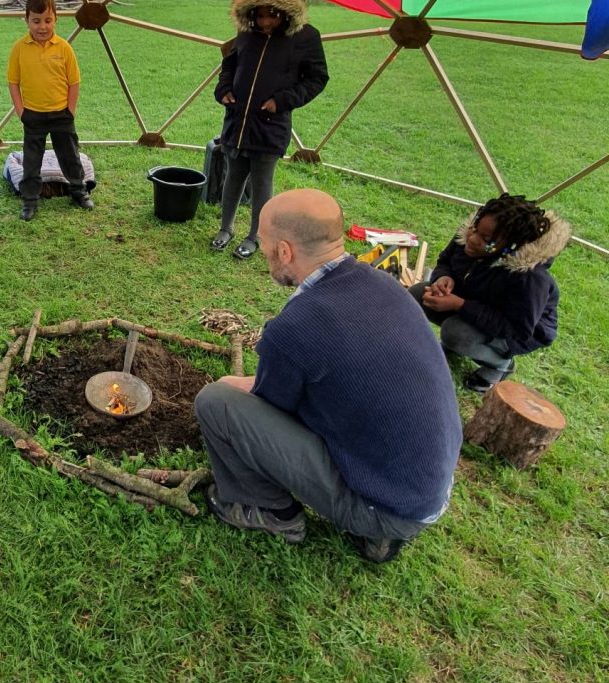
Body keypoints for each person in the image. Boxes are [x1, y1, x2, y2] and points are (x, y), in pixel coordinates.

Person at [194, 189, 462, 563]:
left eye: (266, 244)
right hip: (424, 491)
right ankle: (382, 528)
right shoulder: (383, 284)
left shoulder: (297, 328)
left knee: (217, 401)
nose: (265, 253)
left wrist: (228, 386)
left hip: (385, 505)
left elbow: (269, 405)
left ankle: (272, 512)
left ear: (284, 251)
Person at [211, 0, 328, 260]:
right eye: (260, 15)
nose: (265, 22)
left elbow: (317, 78)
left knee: (262, 182)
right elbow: (230, 63)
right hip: (238, 122)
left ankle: (255, 236)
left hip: (270, 125)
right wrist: (224, 89)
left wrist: (282, 101)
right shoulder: (247, 33)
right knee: (233, 176)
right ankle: (225, 228)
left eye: (273, 15)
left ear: (287, 11)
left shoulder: (306, 37)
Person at [408, 194, 570, 392]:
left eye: (486, 239)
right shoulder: (470, 236)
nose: (473, 239)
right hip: (475, 302)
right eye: (475, 229)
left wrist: (460, 305)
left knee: (456, 333)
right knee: (417, 294)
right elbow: (446, 260)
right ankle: (458, 345)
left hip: (516, 332)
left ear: (511, 246)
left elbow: (516, 330)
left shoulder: (529, 279)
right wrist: (443, 277)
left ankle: (500, 364)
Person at [7, 0, 94, 222]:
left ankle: (78, 191)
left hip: (61, 114)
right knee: (31, 160)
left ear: (56, 19)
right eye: (36, 21)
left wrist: (70, 110)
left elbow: (74, 82)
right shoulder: (19, 48)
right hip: (32, 115)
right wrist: (21, 111)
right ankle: (30, 200)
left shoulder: (64, 48)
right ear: (26, 20)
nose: (42, 27)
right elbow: (13, 82)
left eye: (47, 20)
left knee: (70, 155)